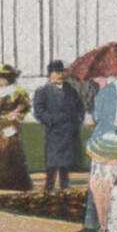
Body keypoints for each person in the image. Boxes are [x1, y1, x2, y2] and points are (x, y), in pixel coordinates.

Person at [70, 75, 117, 232]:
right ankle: (98, 227)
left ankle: (99, 228)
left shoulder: (105, 92)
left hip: (104, 144)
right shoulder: (110, 90)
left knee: (101, 186)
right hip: (111, 143)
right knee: (104, 186)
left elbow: (92, 121)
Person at [33, 60, 84, 191]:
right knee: (53, 161)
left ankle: (64, 187)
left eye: (61, 72)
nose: (60, 75)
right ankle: (49, 187)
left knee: (66, 162)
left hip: (69, 131)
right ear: (50, 74)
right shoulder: (43, 91)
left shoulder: (71, 90)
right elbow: (39, 111)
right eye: (56, 73)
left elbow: (79, 107)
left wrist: (77, 120)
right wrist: (51, 120)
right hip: (54, 131)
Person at [0, 88, 33, 191]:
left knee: (11, 150)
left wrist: (15, 115)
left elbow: (25, 107)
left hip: (11, 125)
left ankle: (14, 181)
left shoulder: (17, 92)